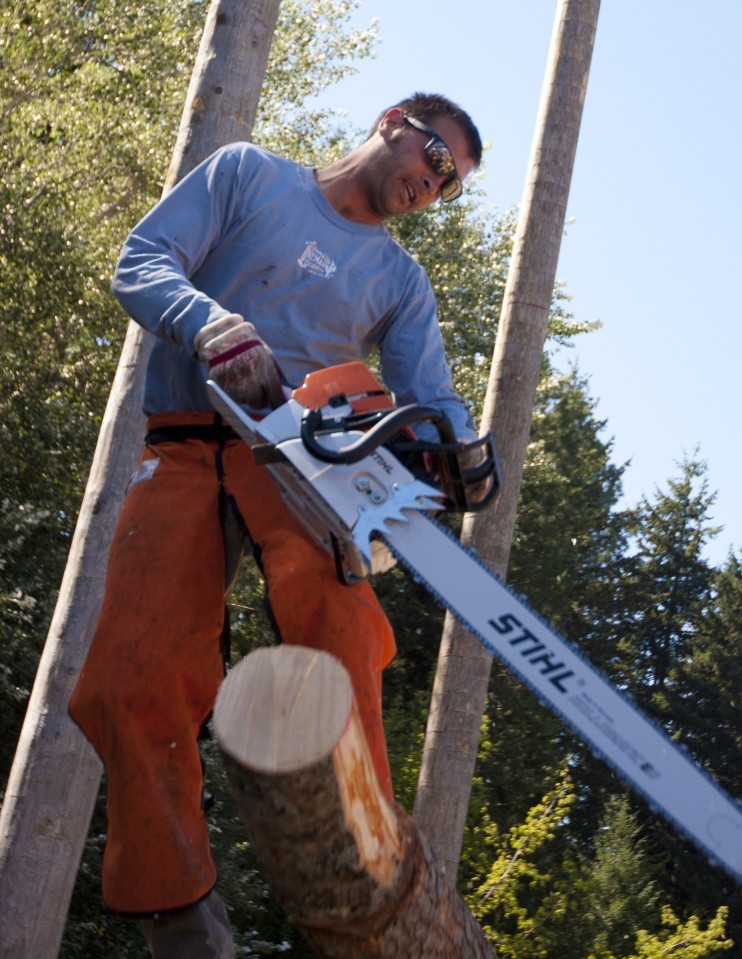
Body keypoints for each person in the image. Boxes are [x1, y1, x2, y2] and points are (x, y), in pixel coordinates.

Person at [69, 92, 484, 958]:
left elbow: (428, 395)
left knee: (340, 632)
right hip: (185, 441)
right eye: (435, 161)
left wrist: (454, 448)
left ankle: (369, 882)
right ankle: (182, 919)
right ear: (394, 119)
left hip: (308, 468)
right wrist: (209, 322)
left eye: (450, 189)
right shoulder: (247, 175)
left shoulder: (400, 281)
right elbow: (143, 260)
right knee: (127, 676)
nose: (432, 188)